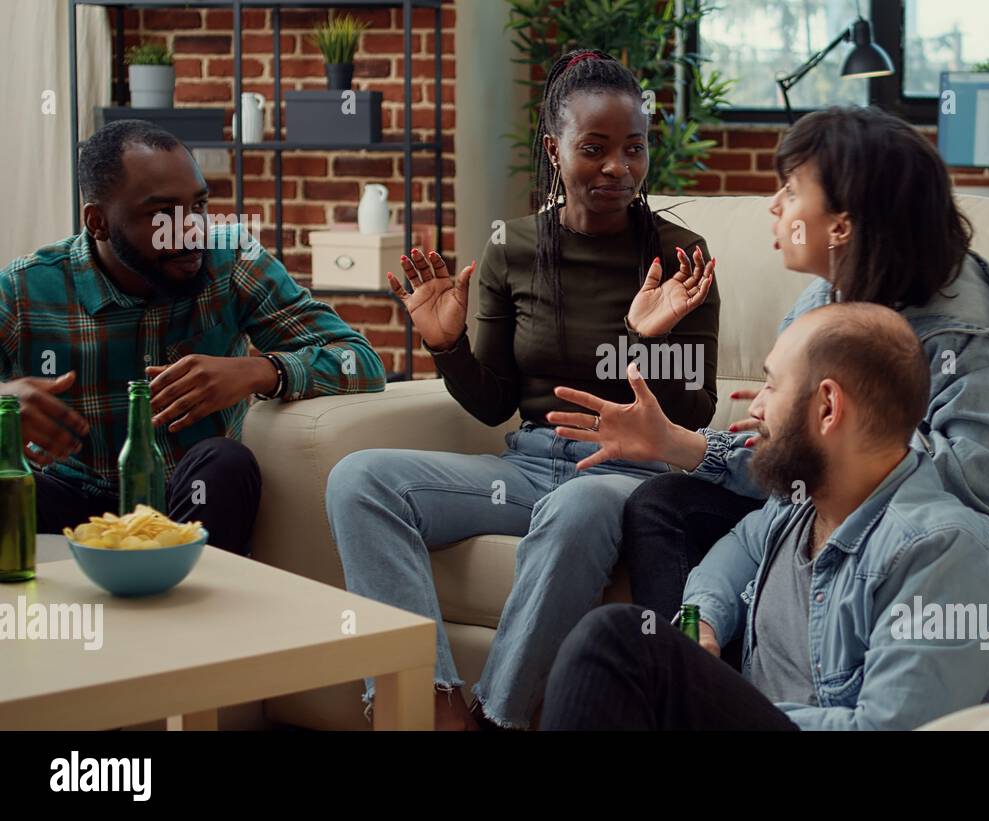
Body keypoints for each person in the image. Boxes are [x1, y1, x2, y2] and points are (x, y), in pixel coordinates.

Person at [565, 106, 989, 693]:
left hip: (982, 515)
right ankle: (700, 683)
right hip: (830, 498)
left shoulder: (964, 332)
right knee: (662, 502)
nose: (773, 205)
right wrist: (680, 445)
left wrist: (850, 439)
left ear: (842, 224)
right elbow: (789, 460)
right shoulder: (817, 303)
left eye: (790, 189)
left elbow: (985, 489)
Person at [325, 49, 720, 731]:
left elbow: (697, 411)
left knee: (578, 507)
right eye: (594, 149)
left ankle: (496, 720)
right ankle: (429, 707)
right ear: (554, 148)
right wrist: (446, 343)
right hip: (531, 462)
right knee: (359, 478)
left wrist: (646, 339)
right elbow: (494, 400)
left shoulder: (681, 256)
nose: (617, 168)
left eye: (634, 149)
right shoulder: (513, 249)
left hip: (627, 476)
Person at [542, 303, 989, 730]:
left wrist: (701, 705)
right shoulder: (801, 505)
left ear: (828, 407)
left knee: (619, 641)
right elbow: (738, 549)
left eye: (771, 385)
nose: (755, 405)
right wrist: (702, 620)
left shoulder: (943, 552)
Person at [0, 119, 385, 554]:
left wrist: (261, 370)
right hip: (73, 506)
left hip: (193, 501)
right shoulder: (26, 289)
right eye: (163, 213)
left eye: (199, 205)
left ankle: (200, 617)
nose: (191, 229)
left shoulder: (232, 260)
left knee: (225, 461)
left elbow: (360, 360)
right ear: (99, 221)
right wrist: (7, 401)